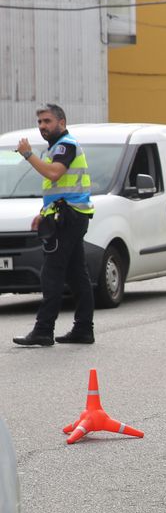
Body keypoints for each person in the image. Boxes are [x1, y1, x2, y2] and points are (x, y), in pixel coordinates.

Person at [13, 104, 95, 347]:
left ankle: (43, 330)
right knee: (77, 274)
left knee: (52, 273)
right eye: (39, 122)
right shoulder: (57, 147)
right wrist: (43, 212)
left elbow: (54, 174)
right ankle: (83, 329)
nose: (42, 127)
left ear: (62, 122)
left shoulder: (64, 145)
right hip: (69, 214)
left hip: (67, 217)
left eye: (47, 121)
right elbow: (58, 188)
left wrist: (29, 155)